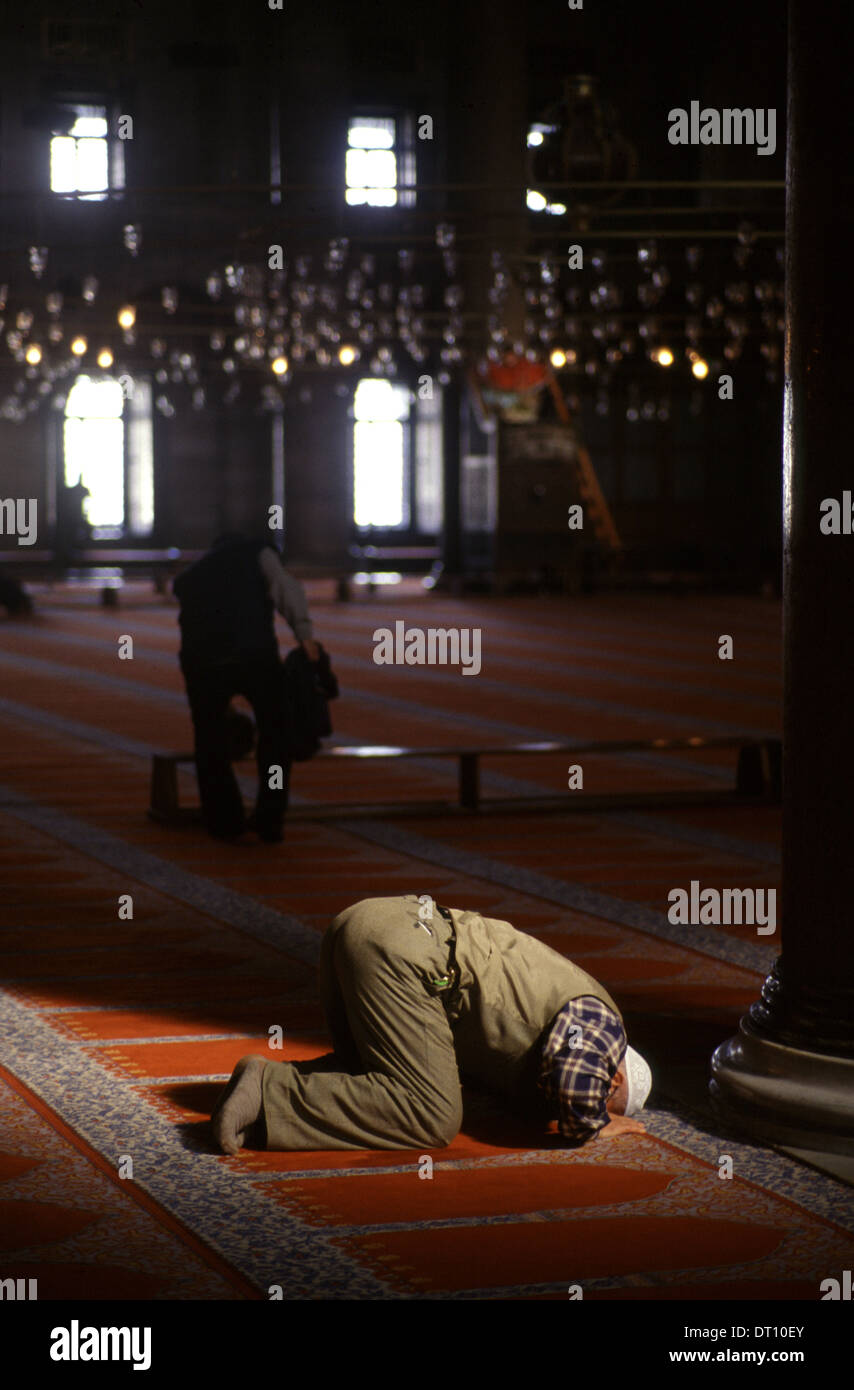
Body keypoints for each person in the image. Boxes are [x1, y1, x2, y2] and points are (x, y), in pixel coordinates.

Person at [211, 895, 652, 1154]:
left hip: (369, 928)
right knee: (432, 1117)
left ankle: (267, 1087)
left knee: (369, 1078)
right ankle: (272, 1092)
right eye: (606, 1098)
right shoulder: (603, 1025)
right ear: (612, 1079)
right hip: (405, 952)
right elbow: (577, 1084)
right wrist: (595, 1123)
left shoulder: (546, 1047)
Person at [172, 532, 319, 843]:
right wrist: (304, 634)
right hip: (254, 657)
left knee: (209, 742)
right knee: (276, 736)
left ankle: (224, 822)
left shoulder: (194, 574)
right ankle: (270, 816)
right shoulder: (259, 551)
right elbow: (286, 588)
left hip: (203, 662)